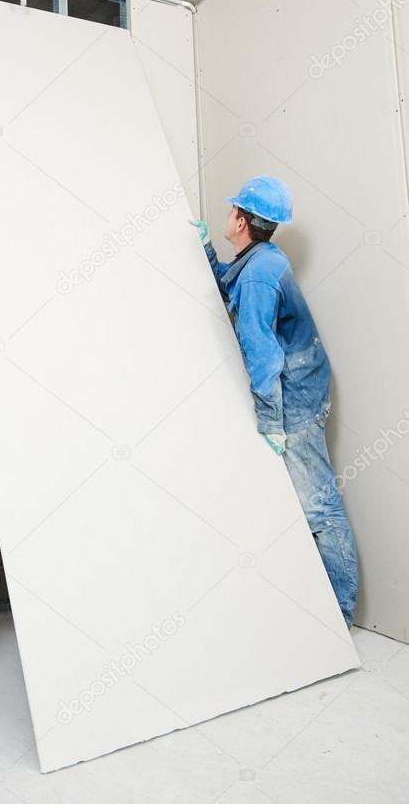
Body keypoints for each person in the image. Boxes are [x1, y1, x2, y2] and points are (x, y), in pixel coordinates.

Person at [191, 176, 358, 628]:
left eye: (230, 212)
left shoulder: (261, 275)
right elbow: (230, 285)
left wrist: (271, 423)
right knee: (309, 505)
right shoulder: (258, 258)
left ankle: (340, 615)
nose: (225, 216)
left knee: (319, 508)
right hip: (304, 383)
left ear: (243, 221)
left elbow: (263, 355)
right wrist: (206, 252)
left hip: (297, 398)